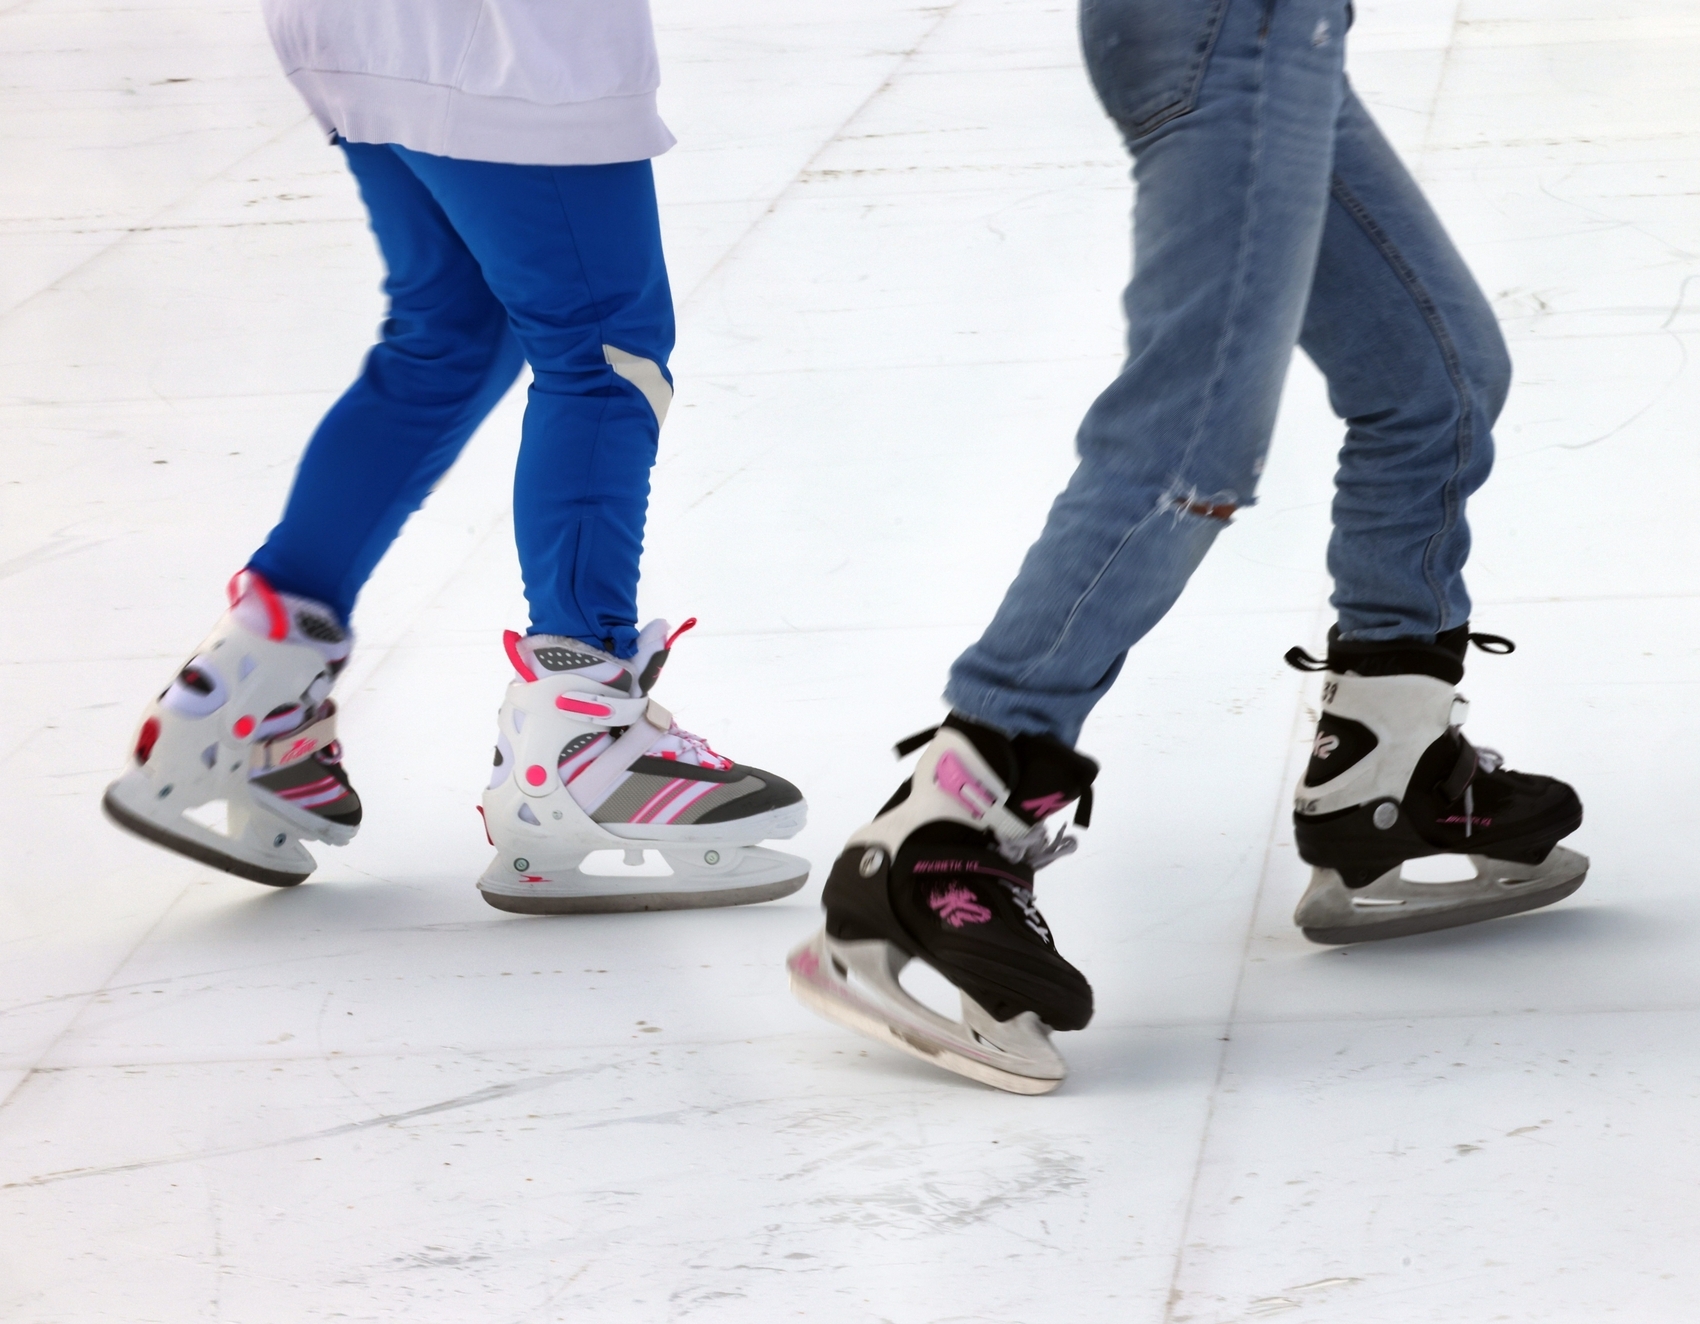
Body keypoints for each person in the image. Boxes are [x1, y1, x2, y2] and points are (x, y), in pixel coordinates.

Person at [786, 0, 1586, 1094]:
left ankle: (1381, 768)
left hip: (1279, 30)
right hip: (1225, 25)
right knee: (1190, 441)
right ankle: (943, 833)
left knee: (1433, 381)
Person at [102, 0, 810, 915]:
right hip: (505, 42)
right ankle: (582, 744)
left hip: (358, 29)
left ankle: (243, 702)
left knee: (450, 338)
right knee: (604, 355)